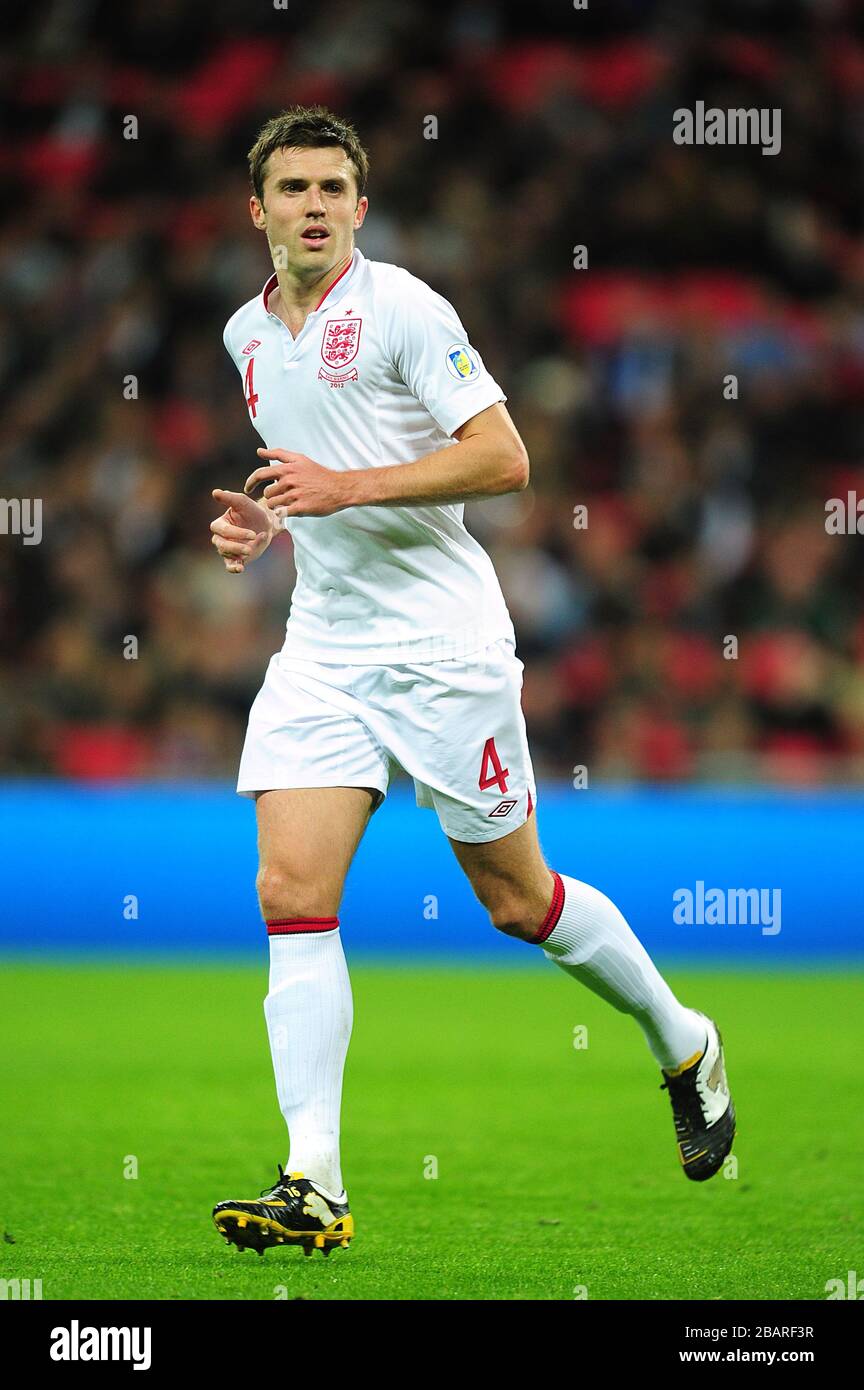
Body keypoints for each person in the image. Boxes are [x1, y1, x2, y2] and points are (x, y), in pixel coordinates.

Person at [209, 105, 735, 1258]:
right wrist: (272, 525)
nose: (311, 206)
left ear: (359, 206)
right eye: (290, 189)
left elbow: (506, 458)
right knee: (289, 890)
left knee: (517, 900)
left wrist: (345, 490)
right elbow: (318, 482)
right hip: (325, 649)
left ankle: (682, 1038)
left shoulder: (402, 306)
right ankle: (316, 1180)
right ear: (258, 211)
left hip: (444, 649)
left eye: (331, 189)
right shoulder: (248, 335)